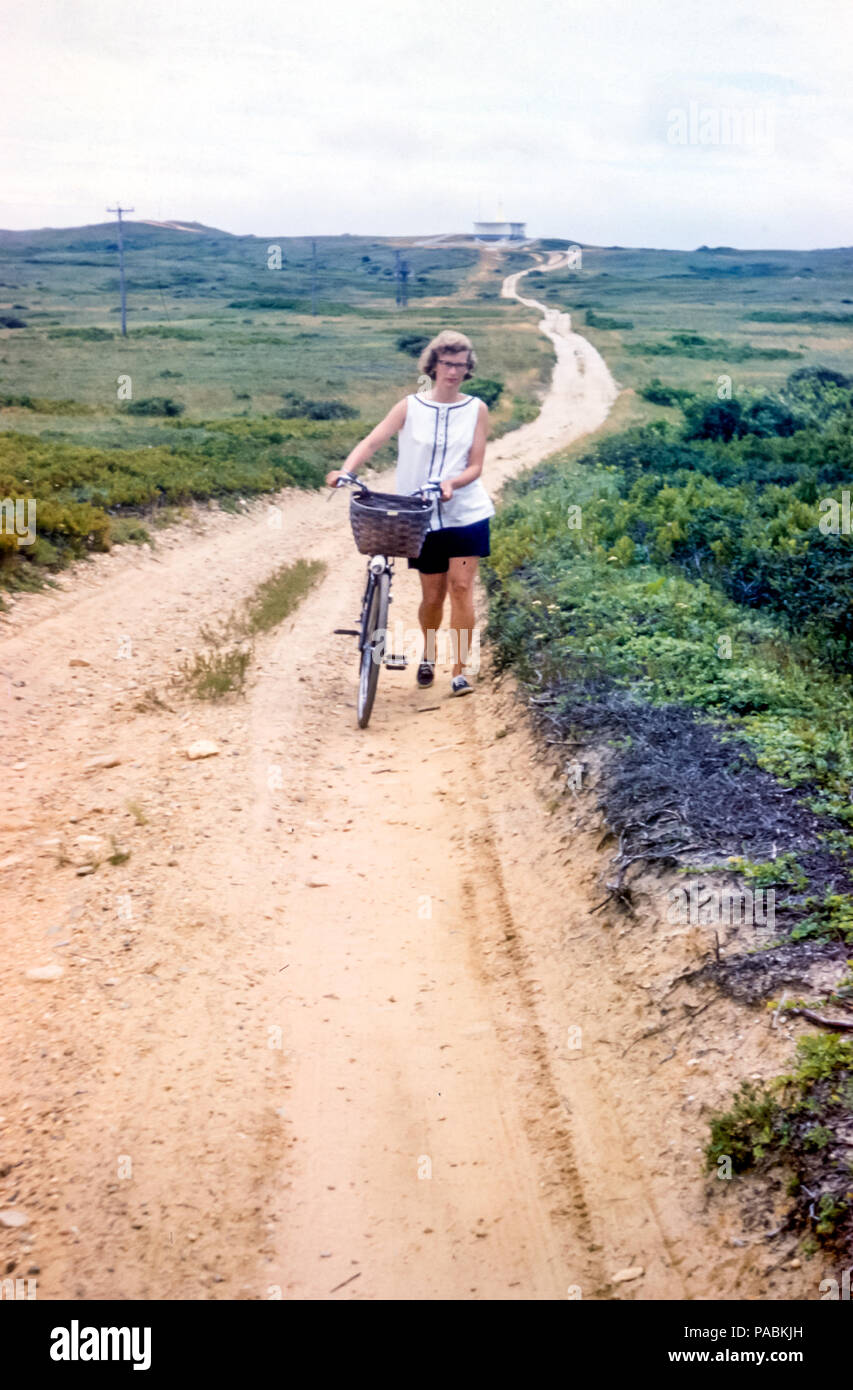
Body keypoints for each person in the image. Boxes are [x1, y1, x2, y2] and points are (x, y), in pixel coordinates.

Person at [326, 330, 493, 697]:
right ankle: (429, 654)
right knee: (432, 597)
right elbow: (373, 440)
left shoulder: (477, 409)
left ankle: (461, 671)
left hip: (466, 512)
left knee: (462, 588)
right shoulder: (410, 406)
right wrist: (345, 470)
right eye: (447, 364)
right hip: (419, 516)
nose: (453, 372)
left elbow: (476, 465)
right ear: (432, 366)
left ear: (468, 370)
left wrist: (452, 483)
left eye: (460, 366)